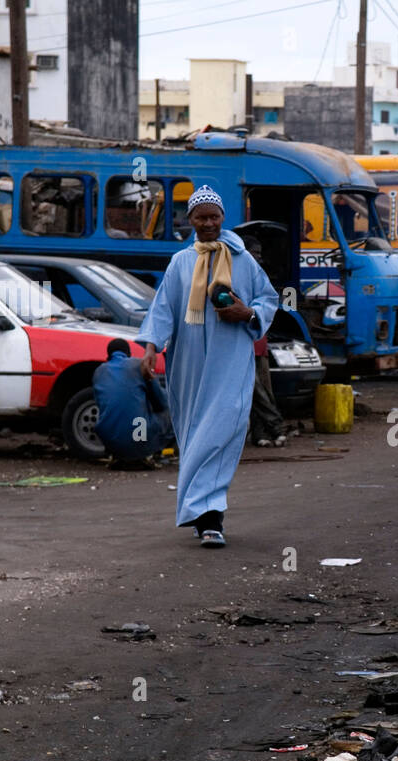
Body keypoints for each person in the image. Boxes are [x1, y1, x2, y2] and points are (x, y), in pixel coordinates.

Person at [136, 184, 279, 548]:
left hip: (230, 359)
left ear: (222, 218)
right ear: (191, 221)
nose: (209, 223)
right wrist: (151, 347)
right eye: (202, 217)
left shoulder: (243, 260)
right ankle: (204, 518)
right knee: (195, 436)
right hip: (188, 365)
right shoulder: (181, 263)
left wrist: (247, 312)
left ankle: (211, 517)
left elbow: (268, 298)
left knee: (222, 431)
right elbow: (164, 308)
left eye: (214, 216)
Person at [93, 338, 171, 469]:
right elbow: (161, 401)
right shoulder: (139, 365)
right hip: (139, 436)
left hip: (110, 440)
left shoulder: (99, 371)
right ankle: (146, 452)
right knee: (169, 409)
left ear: (108, 356)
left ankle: (119, 454)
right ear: (128, 353)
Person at [244, 236, 287, 449]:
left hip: (258, 343)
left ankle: (261, 434)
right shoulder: (239, 276)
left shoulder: (257, 277)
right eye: (256, 253)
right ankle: (276, 428)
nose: (260, 258)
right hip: (245, 344)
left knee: (262, 391)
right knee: (256, 391)